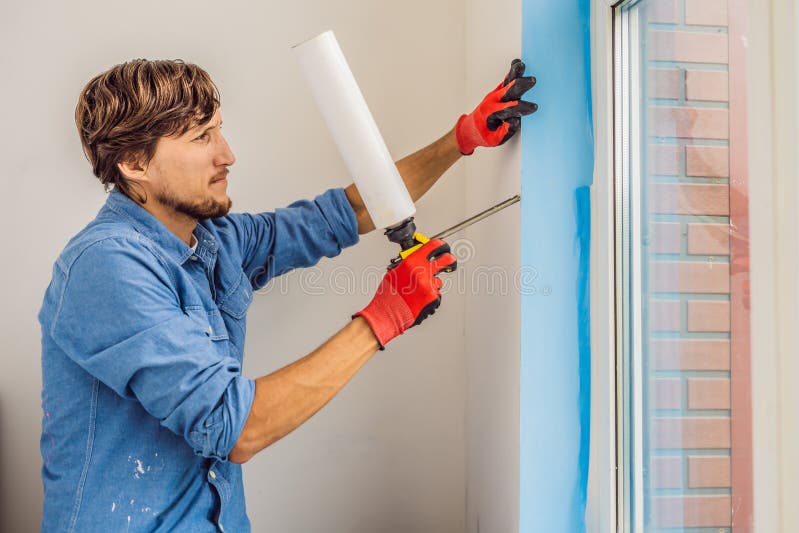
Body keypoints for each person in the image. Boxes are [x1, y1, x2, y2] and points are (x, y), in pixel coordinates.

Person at [38, 58, 536, 532]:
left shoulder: (209, 240)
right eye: (200, 137)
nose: (227, 154)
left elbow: (345, 213)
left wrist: (462, 137)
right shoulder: (107, 266)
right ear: (133, 162)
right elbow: (236, 428)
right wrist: (384, 316)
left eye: (219, 129)